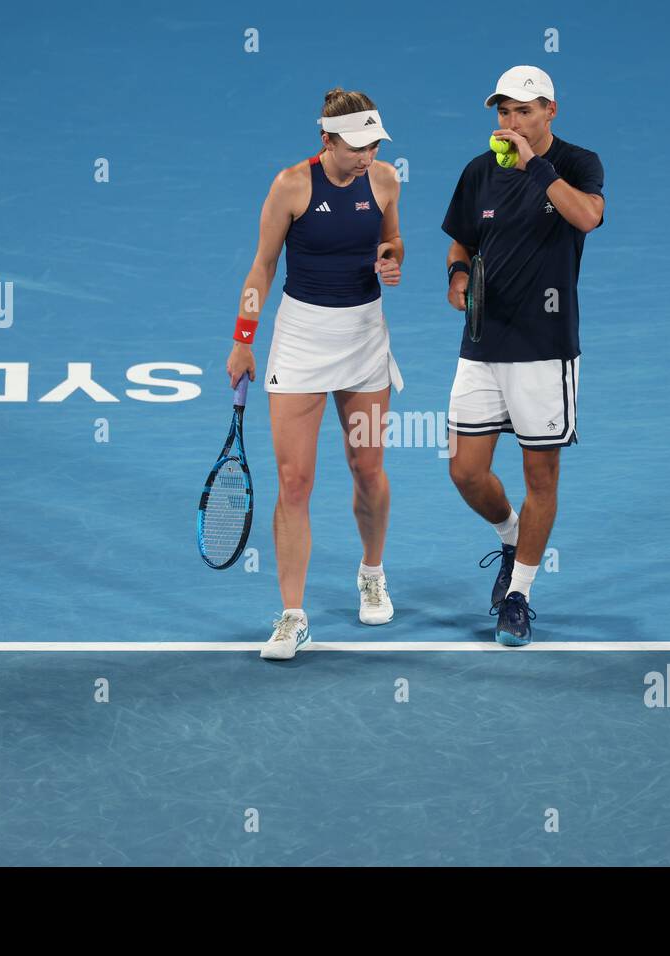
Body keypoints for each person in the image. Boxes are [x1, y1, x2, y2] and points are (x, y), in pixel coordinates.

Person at [226, 87, 405, 661]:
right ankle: (293, 616)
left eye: (373, 144)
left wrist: (392, 258)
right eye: (356, 146)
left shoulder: (384, 181)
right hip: (301, 344)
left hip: (363, 342)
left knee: (368, 468)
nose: (367, 156)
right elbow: (263, 264)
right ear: (325, 141)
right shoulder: (291, 186)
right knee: (295, 481)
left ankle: (371, 572)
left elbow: (392, 240)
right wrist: (243, 340)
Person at [441, 65, 605, 646]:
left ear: (550, 113)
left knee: (540, 474)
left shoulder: (578, 164)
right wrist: (459, 272)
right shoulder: (478, 171)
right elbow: (462, 236)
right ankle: (511, 536)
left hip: (544, 349)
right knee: (465, 470)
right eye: (504, 112)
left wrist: (536, 166)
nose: (511, 123)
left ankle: (519, 596)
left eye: (524, 112)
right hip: (483, 344)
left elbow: (587, 216)